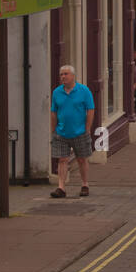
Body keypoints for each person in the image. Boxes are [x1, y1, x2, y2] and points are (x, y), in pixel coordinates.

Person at [50, 65, 94, 198]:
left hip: (79, 132)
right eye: (61, 74)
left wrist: (87, 128)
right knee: (62, 159)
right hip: (61, 132)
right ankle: (61, 187)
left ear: (73, 76)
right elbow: (53, 112)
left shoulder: (84, 91)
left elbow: (90, 110)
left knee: (81, 159)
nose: (63, 77)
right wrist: (53, 129)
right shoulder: (57, 92)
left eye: (66, 74)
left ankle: (85, 184)